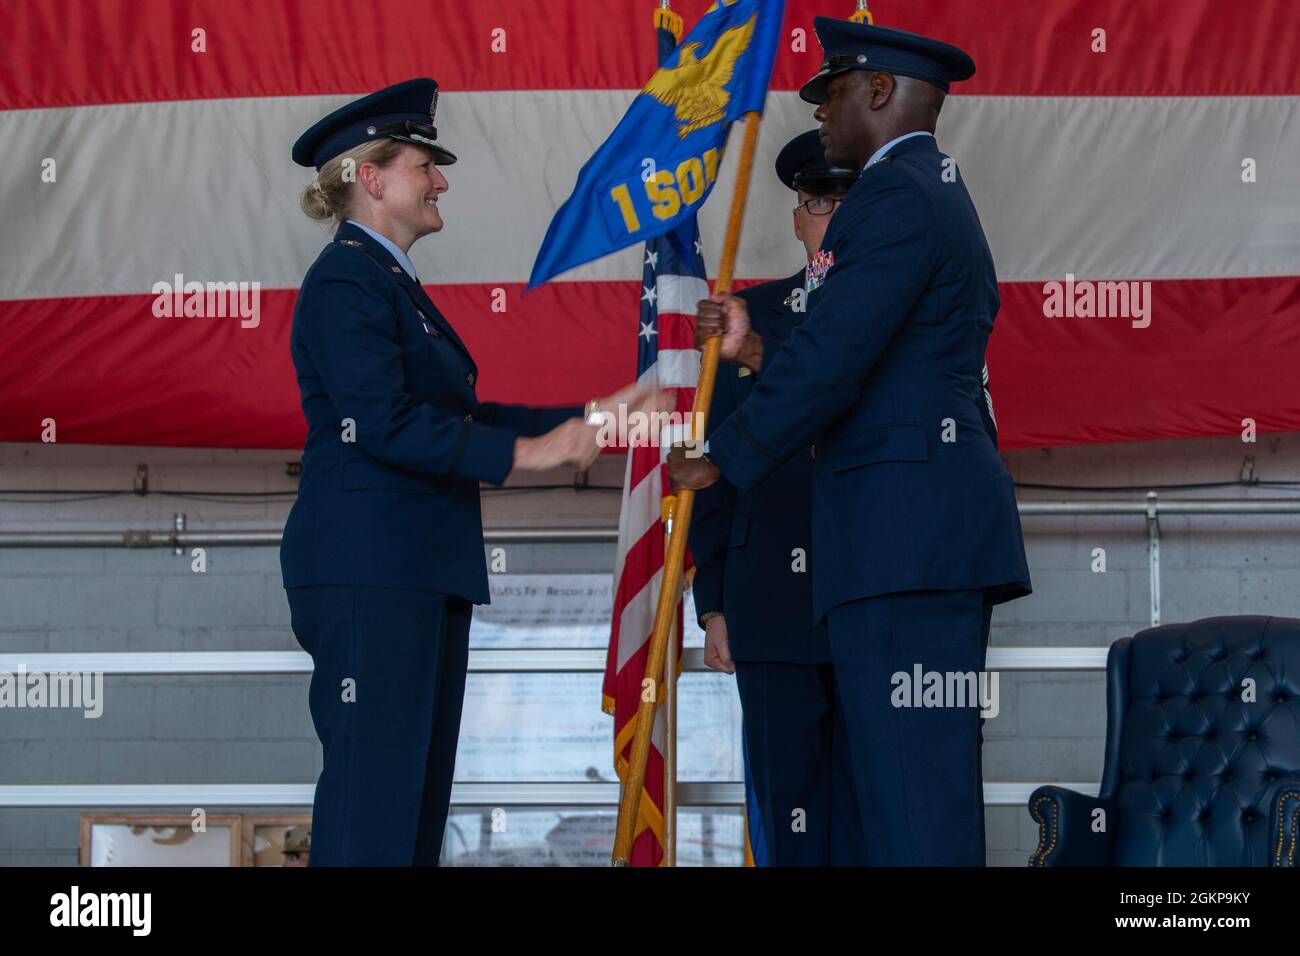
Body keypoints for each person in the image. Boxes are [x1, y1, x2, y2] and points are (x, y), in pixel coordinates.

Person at [669, 19, 1032, 866]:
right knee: (901, 798)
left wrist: (727, 452)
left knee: (911, 803)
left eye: (830, 94)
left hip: (907, 539)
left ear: (877, 92)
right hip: (908, 543)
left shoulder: (898, 193)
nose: (821, 114)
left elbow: (835, 353)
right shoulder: (926, 187)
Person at [284, 78, 659, 866]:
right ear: (372, 177)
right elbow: (382, 423)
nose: (441, 179)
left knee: (411, 808)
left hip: (412, 568)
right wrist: (530, 455)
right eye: (426, 163)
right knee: (372, 808)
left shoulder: (387, 283)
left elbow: (459, 418)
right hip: (371, 569)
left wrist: (589, 419)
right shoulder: (346, 279)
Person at [688, 130, 865, 865]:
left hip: (869, 592)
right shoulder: (748, 317)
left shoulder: (898, 310)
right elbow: (715, 467)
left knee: (869, 815)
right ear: (796, 219)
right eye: (815, 202)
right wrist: (716, 603)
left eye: (845, 200)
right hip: (768, 600)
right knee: (787, 810)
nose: (829, 216)